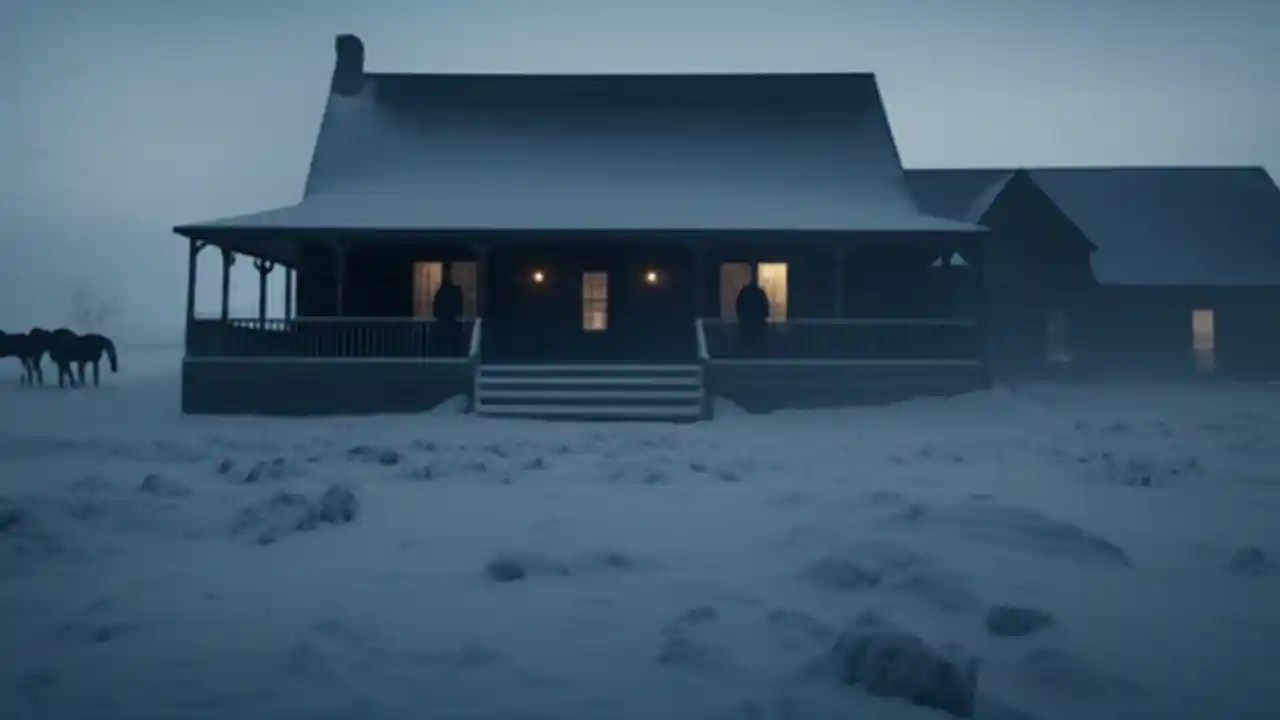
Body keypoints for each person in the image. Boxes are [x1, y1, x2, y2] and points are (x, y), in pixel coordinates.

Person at [734, 267, 770, 353]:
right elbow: (765, 306)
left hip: (747, 322)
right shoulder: (759, 293)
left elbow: (739, 306)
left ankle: (748, 352)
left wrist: (741, 317)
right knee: (756, 341)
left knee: (748, 341)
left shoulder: (745, 293)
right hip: (756, 322)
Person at [432, 262, 465, 355]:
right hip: (443, 324)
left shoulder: (455, 291)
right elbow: (435, 307)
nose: (447, 276)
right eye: (445, 273)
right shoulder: (440, 292)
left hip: (452, 324)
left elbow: (460, 306)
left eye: (448, 273)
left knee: (452, 347)